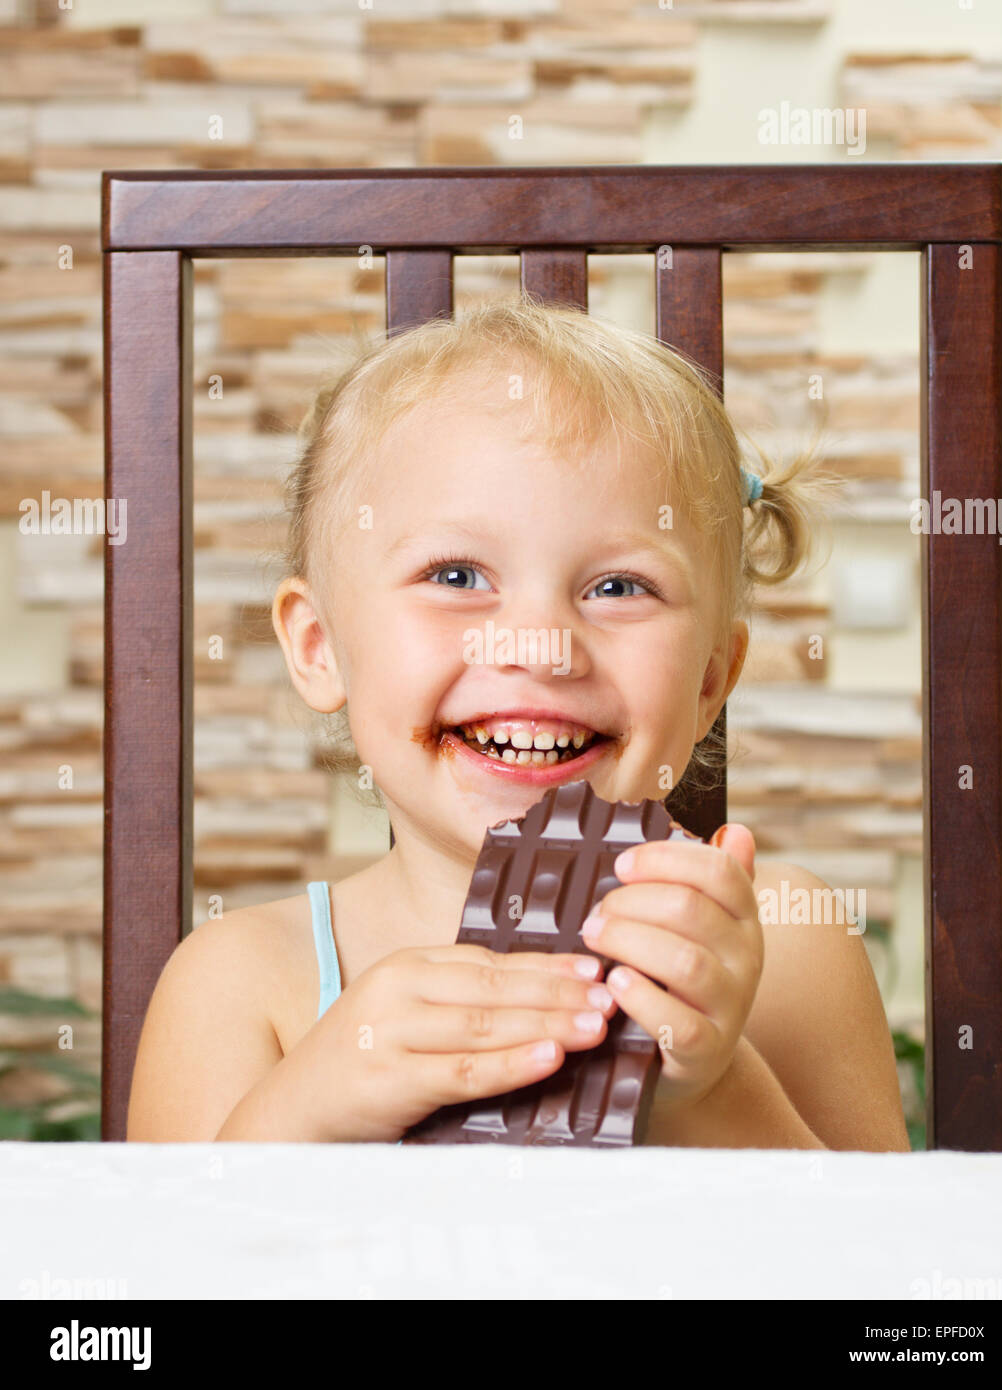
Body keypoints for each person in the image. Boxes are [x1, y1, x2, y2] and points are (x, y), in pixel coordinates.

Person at [127, 295, 910, 1150]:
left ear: (709, 681)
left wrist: (709, 1091)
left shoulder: (786, 942)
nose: (538, 645)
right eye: (457, 575)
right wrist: (311, 1104)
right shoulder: (241, 981)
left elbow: (893, 1272)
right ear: (319, 647)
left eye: (617, 587)